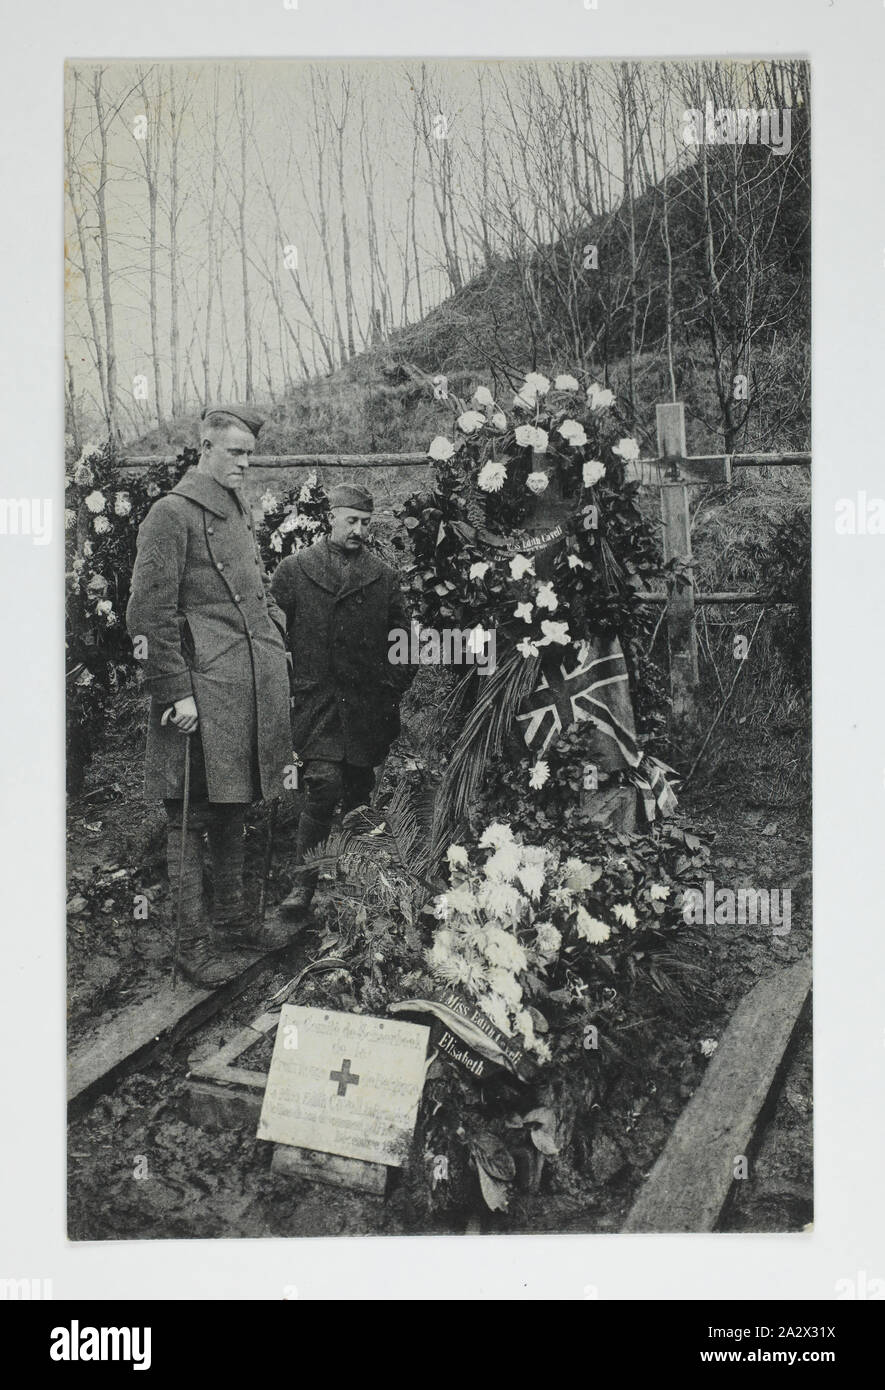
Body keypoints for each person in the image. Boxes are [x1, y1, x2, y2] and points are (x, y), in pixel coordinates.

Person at [126, 405, 298, 986]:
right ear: (205, 447)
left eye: (251, 454)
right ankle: (191, 943)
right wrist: (176, 692)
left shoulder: (234, 508)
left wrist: (273, 632)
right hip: (199, 693)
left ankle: (234, 921)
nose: (246, 464)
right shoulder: (170, 514)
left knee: (234, 807)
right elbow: (147, 613)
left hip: (243, 687)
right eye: (236, 453)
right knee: (188, 816)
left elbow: (256, 589)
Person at [269, 484, 414, 919]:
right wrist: (286, 684)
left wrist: (390, 688)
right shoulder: (294, 571)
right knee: (322, 786)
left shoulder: (383, 576)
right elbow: (271, 635)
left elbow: (404, 643)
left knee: (357, 794)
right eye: (351, 520)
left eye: (366, 523)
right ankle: (303, 885)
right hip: (317, 704)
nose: (359, 530)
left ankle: (357, 888)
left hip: (367, 706)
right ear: (330, 517)